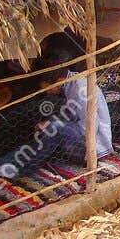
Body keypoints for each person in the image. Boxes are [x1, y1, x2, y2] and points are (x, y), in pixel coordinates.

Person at [35, 32, 111, 164]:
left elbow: (90, 128)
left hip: (95, 149)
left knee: (53, 128)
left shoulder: (79, 89)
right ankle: (32, 159)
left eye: (48, 88)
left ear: (59, 81)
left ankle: (29, 162)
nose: (48, 92)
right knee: (51, 126)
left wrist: (53, 125)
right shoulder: (71, 81)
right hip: (83, 139)